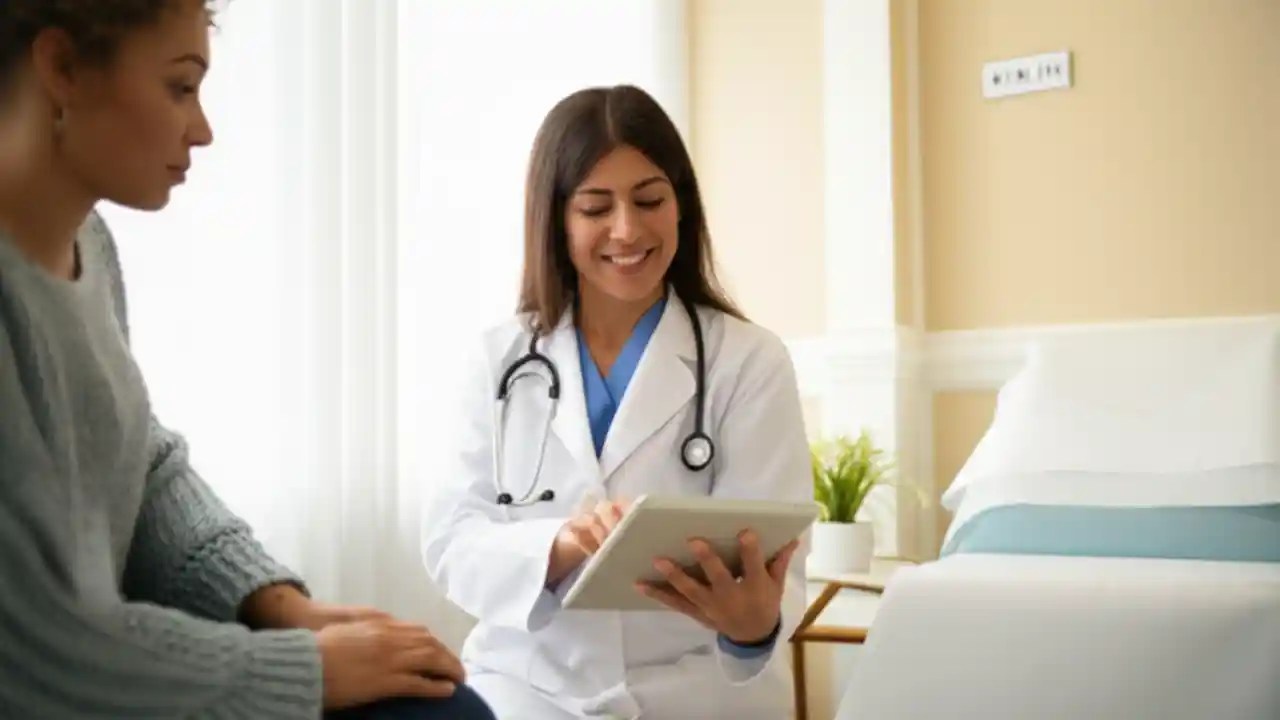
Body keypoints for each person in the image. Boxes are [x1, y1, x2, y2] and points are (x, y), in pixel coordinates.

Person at [0, 2, 494, 718]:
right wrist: (303, 669)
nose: (201, 129)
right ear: (63, 68)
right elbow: (34, 649)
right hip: (63, 683)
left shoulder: (90, 247)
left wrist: (279, 605)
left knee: (441, 702)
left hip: (105, 667)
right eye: (180, 87)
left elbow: (138, 465)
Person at [420, 84, 812, 719]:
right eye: (596, 207)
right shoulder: (498, 360)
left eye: (650, 200)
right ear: (556, 219)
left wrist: (751, 627)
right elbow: (452, 540)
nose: (627, 230)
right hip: (529, 687)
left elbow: (779, 567)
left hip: (696, 694)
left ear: (681, 206)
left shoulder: (749, 362)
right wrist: (561, 544)